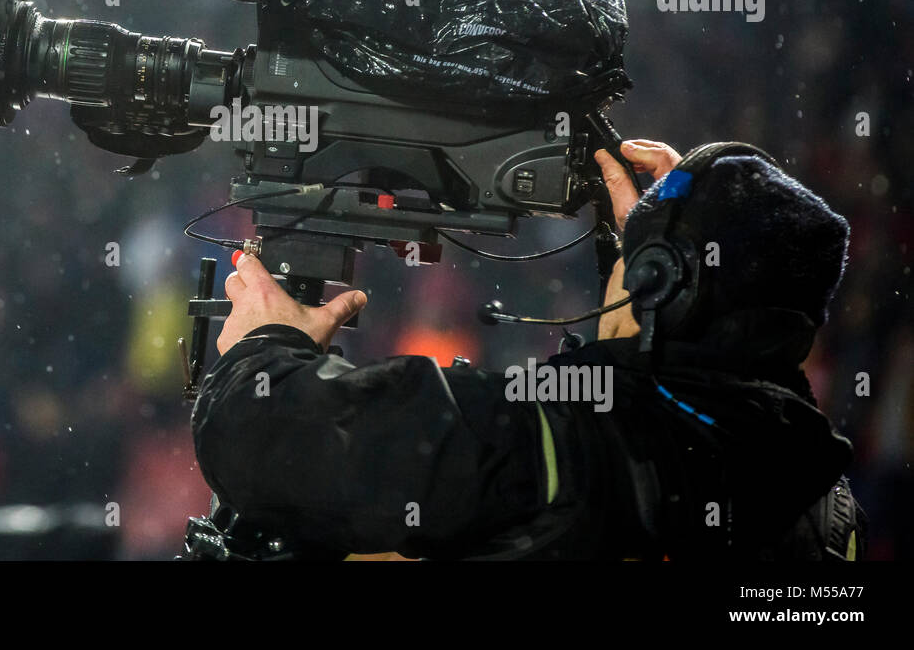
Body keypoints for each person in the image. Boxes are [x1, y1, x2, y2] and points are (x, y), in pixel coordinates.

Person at [191, 139, 866, 559]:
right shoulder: (824, 501)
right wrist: (682, 234)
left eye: (636, 258)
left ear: (662, 280)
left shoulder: (562, 446)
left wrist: (262, 348)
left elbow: (268, 441)